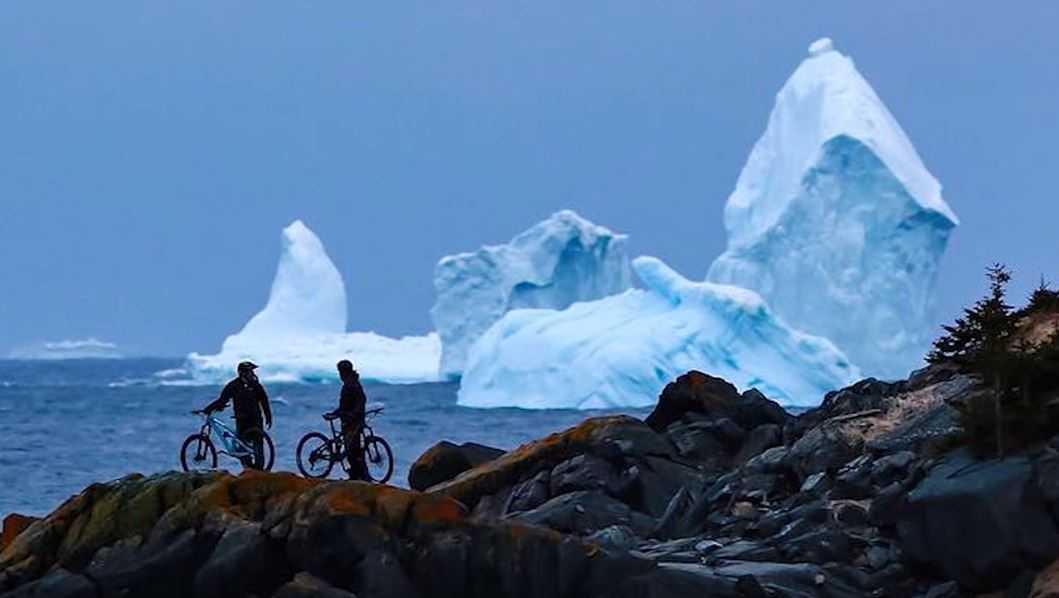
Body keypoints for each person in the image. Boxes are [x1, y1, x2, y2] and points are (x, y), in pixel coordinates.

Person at [204, 361, 272, 468]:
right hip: (242, 419)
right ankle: (249, 468)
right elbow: (222, 400)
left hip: (256, 418)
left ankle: (259, 469)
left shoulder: (256, 385)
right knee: (242, 446)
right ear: (242, 373)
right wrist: (208, 409)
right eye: (249, 372)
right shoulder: (233, 385)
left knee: (258, 445)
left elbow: (264, 401)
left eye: (252, 372)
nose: (252, 374)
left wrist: (268, 416)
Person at [327, 359, 368, 480]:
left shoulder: (350, 384)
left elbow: (359, 401)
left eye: (340, 372)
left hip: (351, 420)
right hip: (351, 419)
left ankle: (357, 474)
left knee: (352, 449)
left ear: (344, 372)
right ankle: (358, 474)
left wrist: (351, 414)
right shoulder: (352, 382)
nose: (340, 375)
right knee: (354, 448)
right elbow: (353, 403)